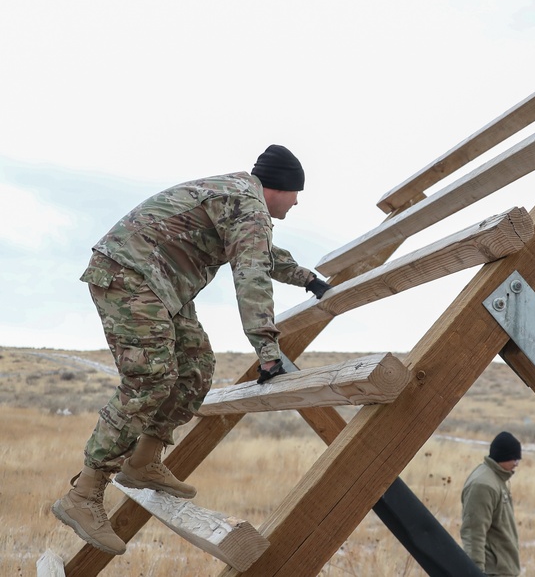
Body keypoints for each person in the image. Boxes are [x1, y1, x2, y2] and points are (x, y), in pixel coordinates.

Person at [51, 145, 333, 555]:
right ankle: (84, 494)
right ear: (279, 188)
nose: (297, 201)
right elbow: (251, 274)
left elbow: (262, 255)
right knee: (150, 378)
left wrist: (309, 280)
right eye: (295, 193)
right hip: (130, 273)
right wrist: (268, 352)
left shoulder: (241, 200)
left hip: (161, 285)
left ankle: (143, 461)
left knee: (195, 370)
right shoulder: (247, 203)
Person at [460, 431, 522, 576]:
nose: (517, 464)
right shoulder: (483, 485)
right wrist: (475, 572)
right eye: (514, 458)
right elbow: (473, 532)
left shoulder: (496, 479)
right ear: (502, 456)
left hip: (501, 570)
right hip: (492, 572)